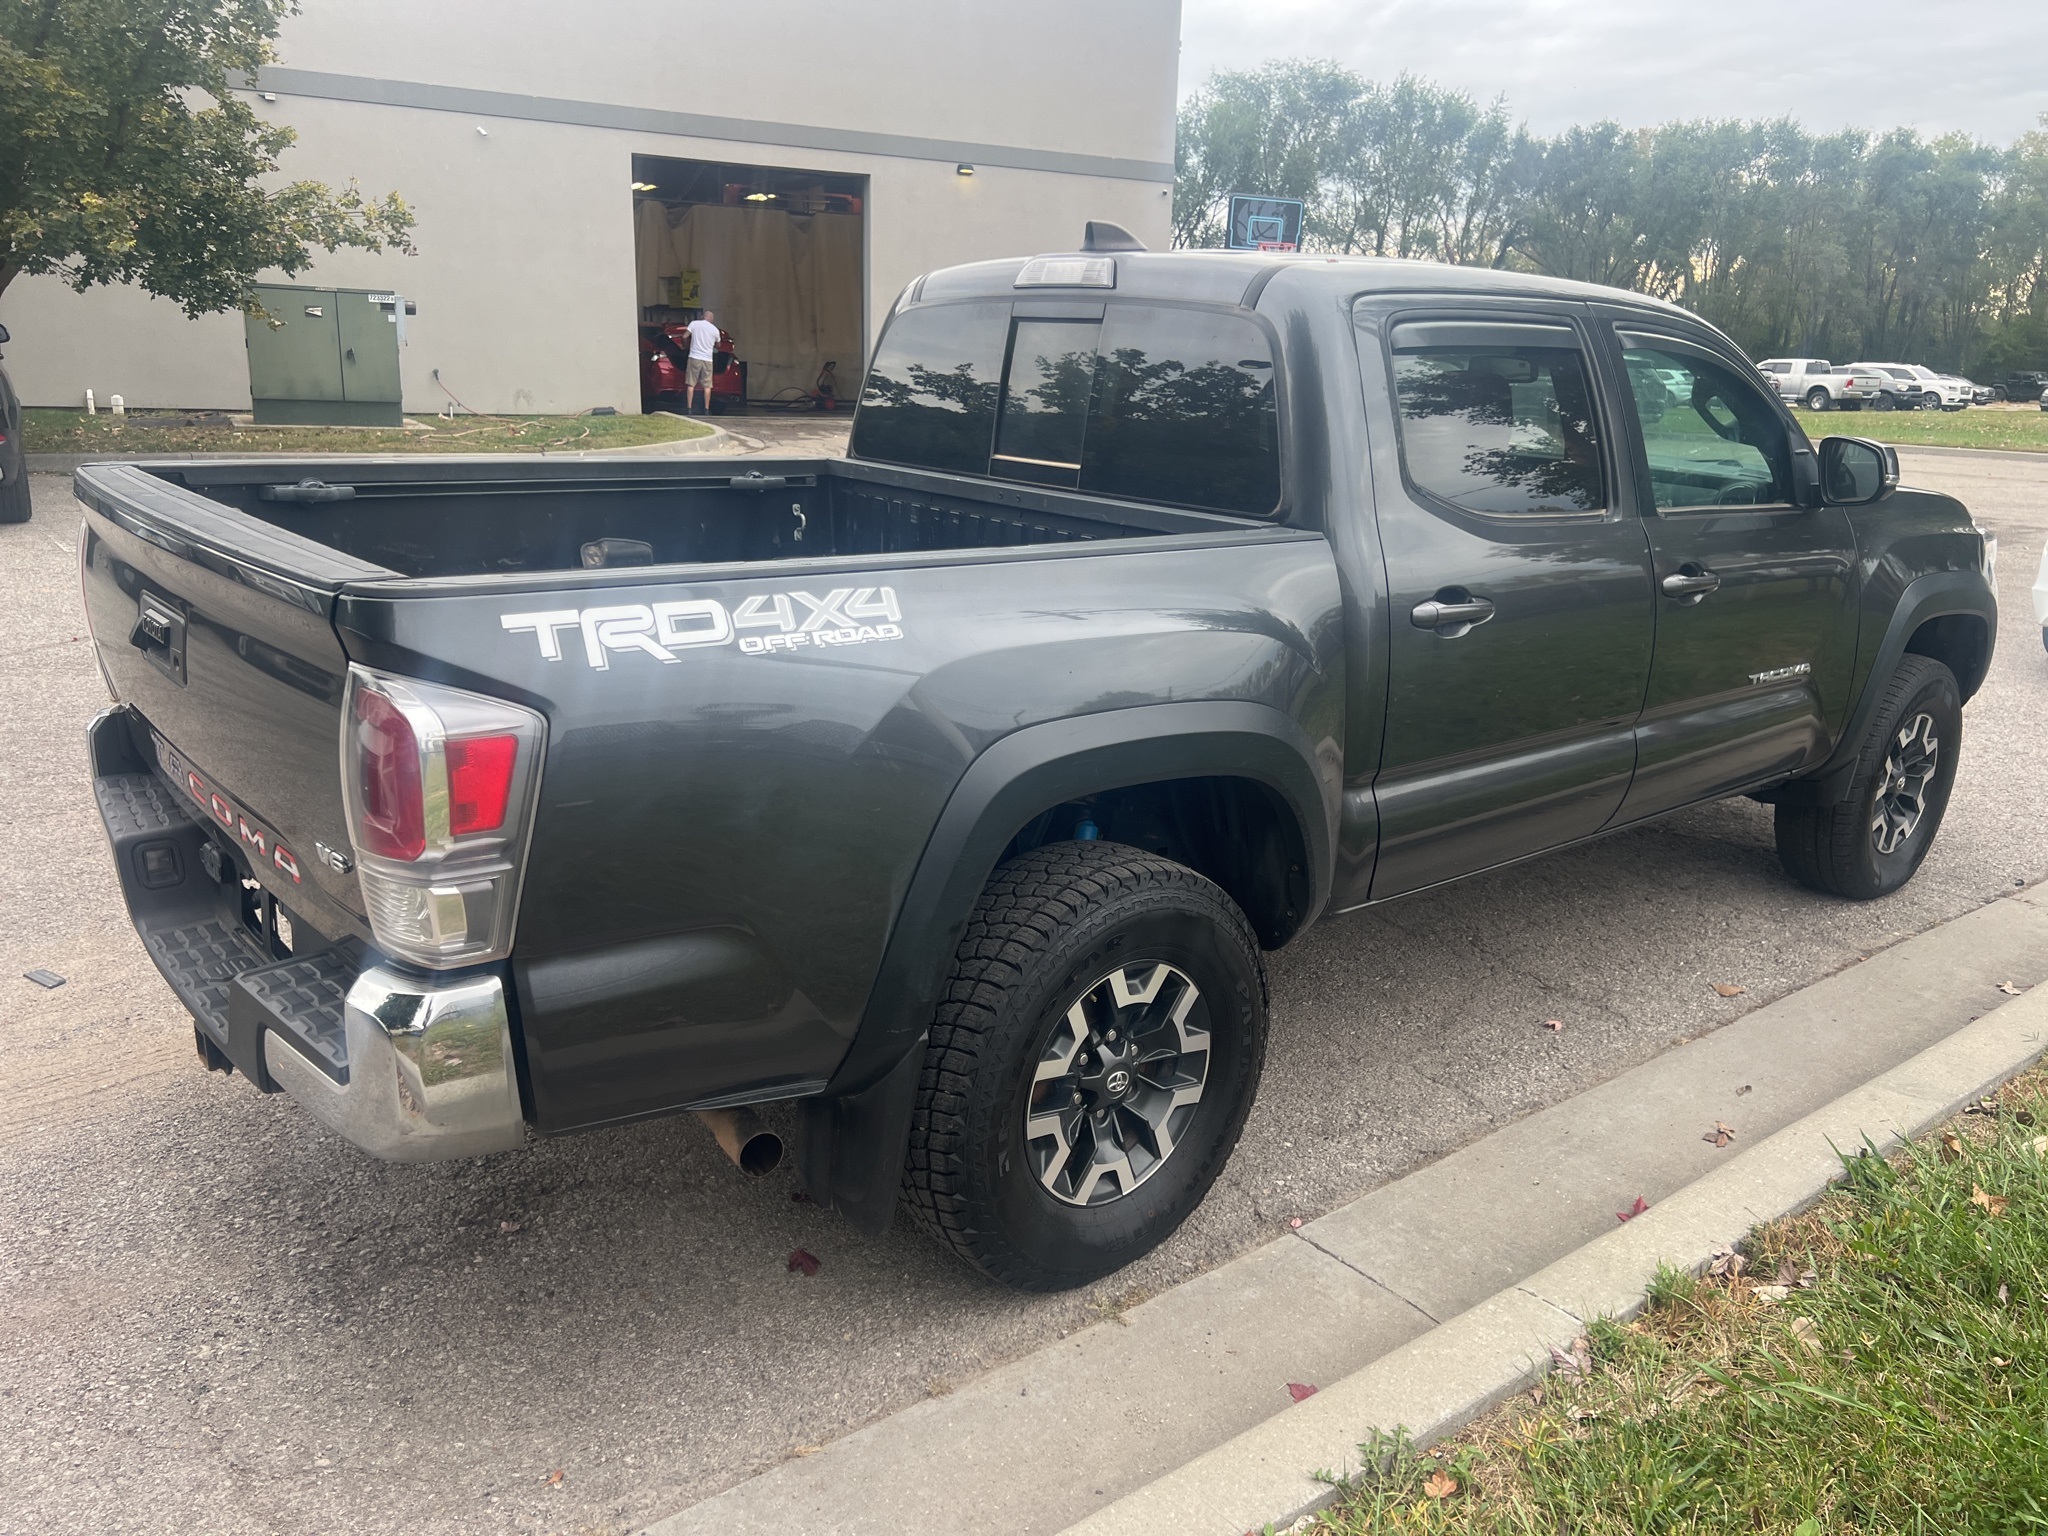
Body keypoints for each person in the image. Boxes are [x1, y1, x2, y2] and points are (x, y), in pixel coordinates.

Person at [683, 309, 721, 413]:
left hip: (694, 357)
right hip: (708, 359)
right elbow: (718, 345)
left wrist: (685, 346)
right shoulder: (715, 330)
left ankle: (689, 408)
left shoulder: (694, 324)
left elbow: (684, 336)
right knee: (707, 386)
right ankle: (706, 409)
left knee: (691, 384)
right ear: (712, 319)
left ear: (702, 317)